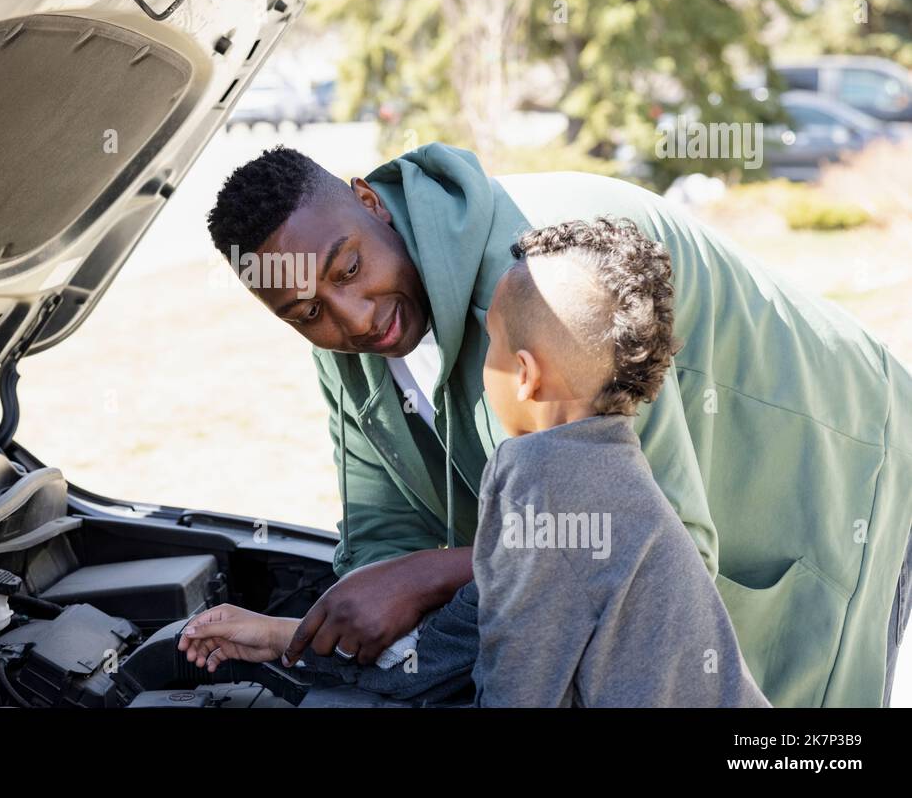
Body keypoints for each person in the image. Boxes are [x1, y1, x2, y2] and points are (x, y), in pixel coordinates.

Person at [204, 141, 912, 707]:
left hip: (827, 460)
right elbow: (387, 541)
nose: (352, 316)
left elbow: (648, 541)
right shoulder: (355, 336)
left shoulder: (540, 288)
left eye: (350, 266)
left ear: (368, 201)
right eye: (305, 313)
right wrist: (325, 633)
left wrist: (432, 574)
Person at [179, 218, 770, 707]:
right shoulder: (612, 469)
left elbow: (514, 687)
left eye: (489, 343)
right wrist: (279, 638)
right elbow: (457, 641)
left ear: (527, 374)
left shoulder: (534, 478)